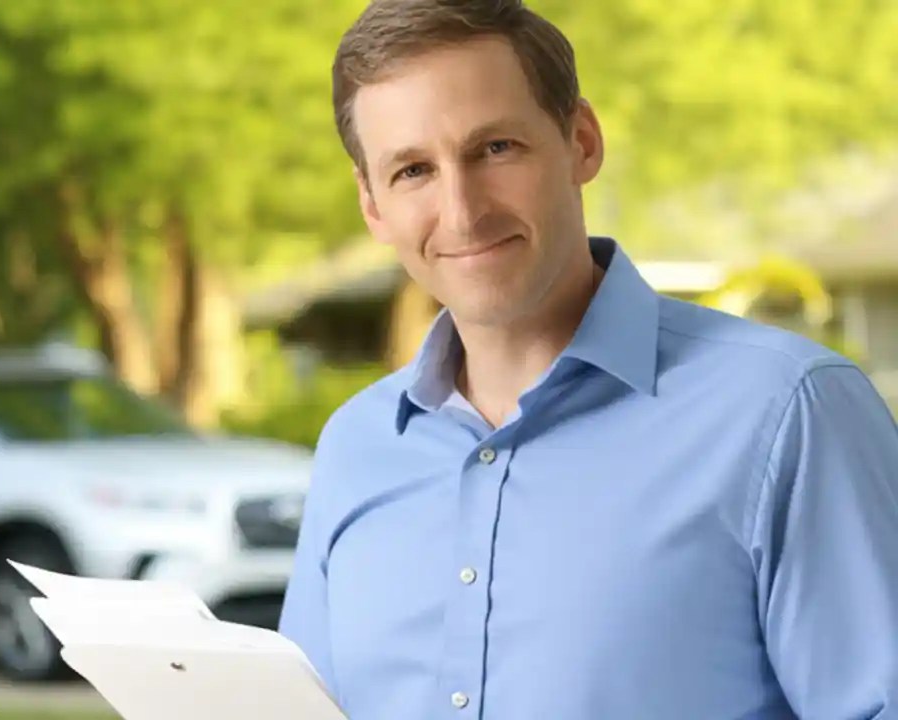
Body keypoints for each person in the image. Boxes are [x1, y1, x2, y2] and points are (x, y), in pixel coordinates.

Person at [277, 1, 898, 718]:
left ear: (581, 141)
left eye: (495, 149)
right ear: (372, 204)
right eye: (413, 170)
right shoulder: (355, 448)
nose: (463, 212)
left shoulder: (788, 413)